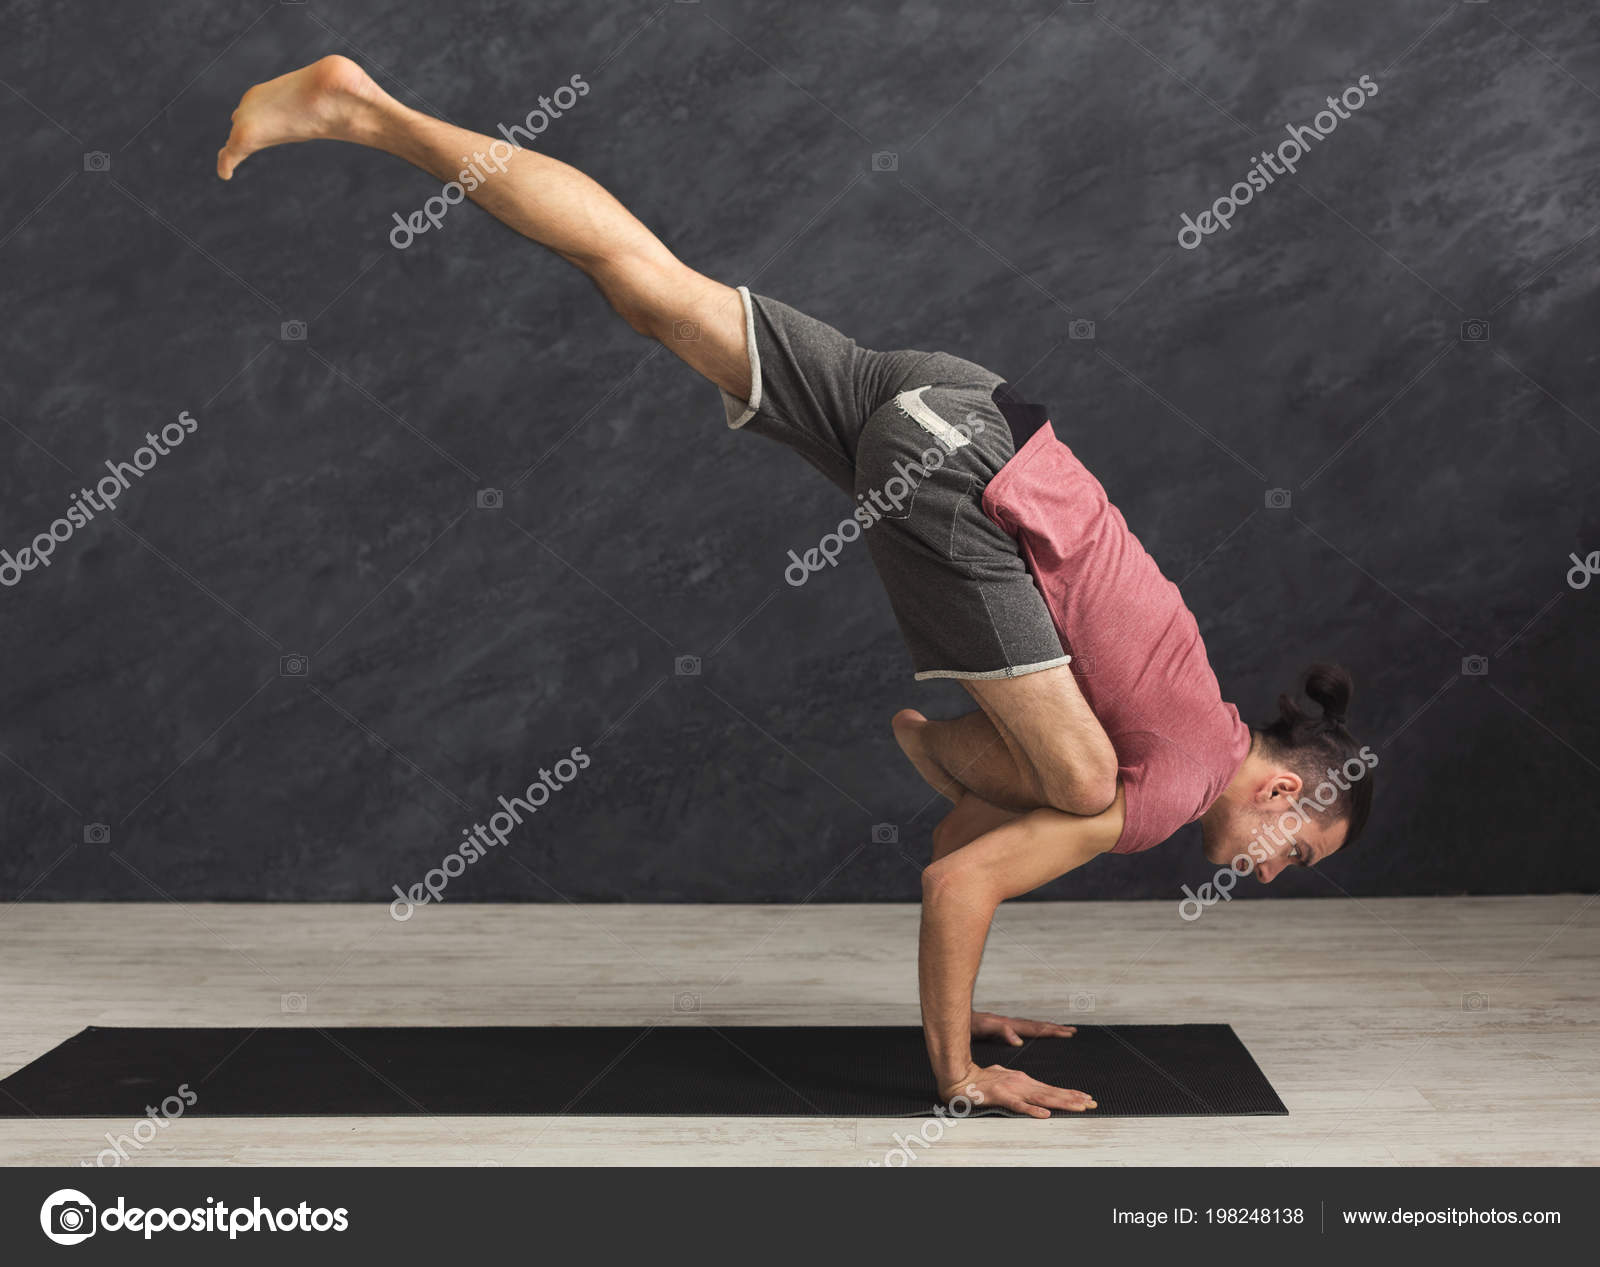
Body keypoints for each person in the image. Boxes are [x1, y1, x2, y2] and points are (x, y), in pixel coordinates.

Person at [217, 56, 1375, 1117]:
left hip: (961, 408)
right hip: (959, 473)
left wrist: (958, 990)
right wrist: (958, 1069)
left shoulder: (1185, 718)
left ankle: (361, 110)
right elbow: (962, 884)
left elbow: (954, 856)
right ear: (1283, 796)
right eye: (1295, 854)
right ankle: (938, 739)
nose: (1269, 876)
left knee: (651, 287)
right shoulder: (1164, 788)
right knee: (1069, 778)